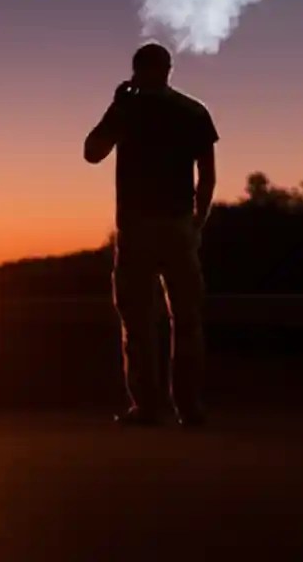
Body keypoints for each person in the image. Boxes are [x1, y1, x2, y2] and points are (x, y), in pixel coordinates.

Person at [84, 42, 219, 427]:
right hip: (177, 226)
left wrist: (116, 108)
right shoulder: (194, 111)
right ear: (168, 69)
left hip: (137, 227)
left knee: (138, 320)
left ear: (136, 70)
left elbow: (92, 152)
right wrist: (197, 222)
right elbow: (207, 176)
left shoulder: (128, 111)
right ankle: (189, 407)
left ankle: (147, 407)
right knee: (186, 319)